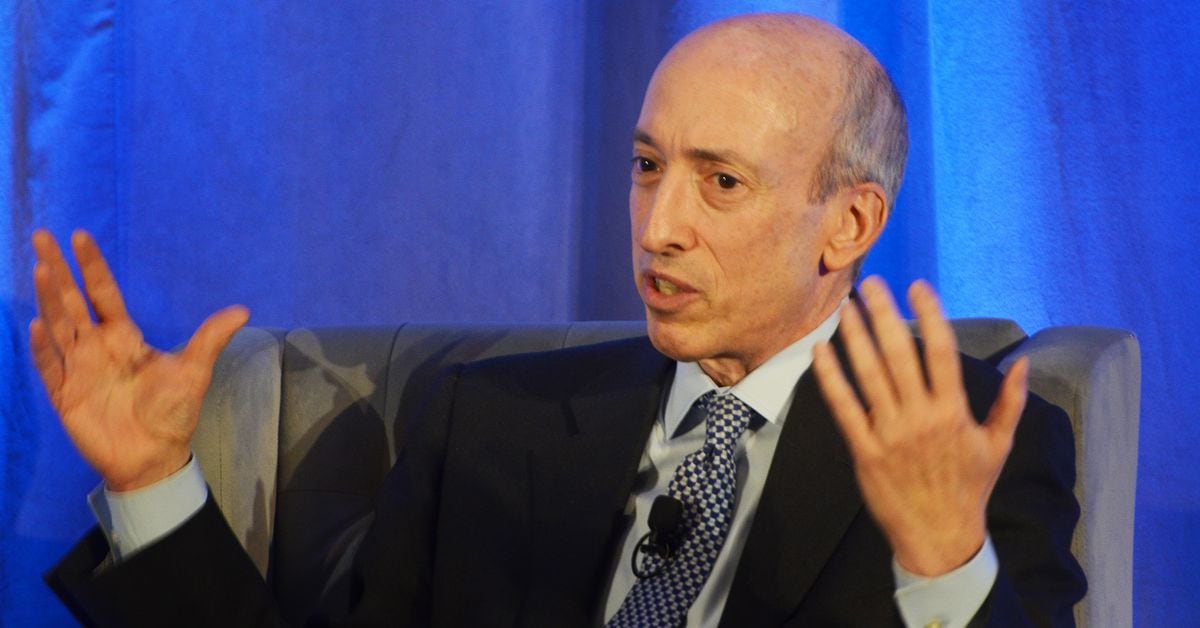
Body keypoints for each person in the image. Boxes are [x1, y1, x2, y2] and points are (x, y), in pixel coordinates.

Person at [35, 13, 1084, 627]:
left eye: (721, 182)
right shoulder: (485, 422)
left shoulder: (971, 448)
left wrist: (943, 562)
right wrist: (150, 482)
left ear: (848, 223)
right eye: (647, 166)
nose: (659, 228)